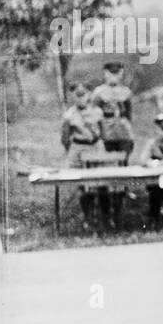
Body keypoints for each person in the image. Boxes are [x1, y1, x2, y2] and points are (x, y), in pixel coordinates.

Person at [59, 81, 104, 229]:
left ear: (89, 95)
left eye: (83, 95)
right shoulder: (69, 115)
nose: (80, 99)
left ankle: (104, 215)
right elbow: (65, 138)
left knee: (100, 182)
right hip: (78, 148)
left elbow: (102, 132)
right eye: (76, 96)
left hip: (95, 148)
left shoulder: (97, 111)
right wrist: (73, 149)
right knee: (84, 186)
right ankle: (88, 217)